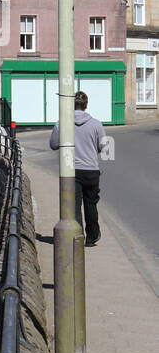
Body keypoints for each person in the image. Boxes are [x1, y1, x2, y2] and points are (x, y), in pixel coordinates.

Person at [49, 90, 107, 247]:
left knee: (74, 205)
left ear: (71, 104)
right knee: (91, 203)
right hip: (91, 170)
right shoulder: (96, 124)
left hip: (71, 171)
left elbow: (53, 144)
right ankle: (92, 236)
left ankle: (77, 236)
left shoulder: (62, 122)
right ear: (86, 105)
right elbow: (103, 146)